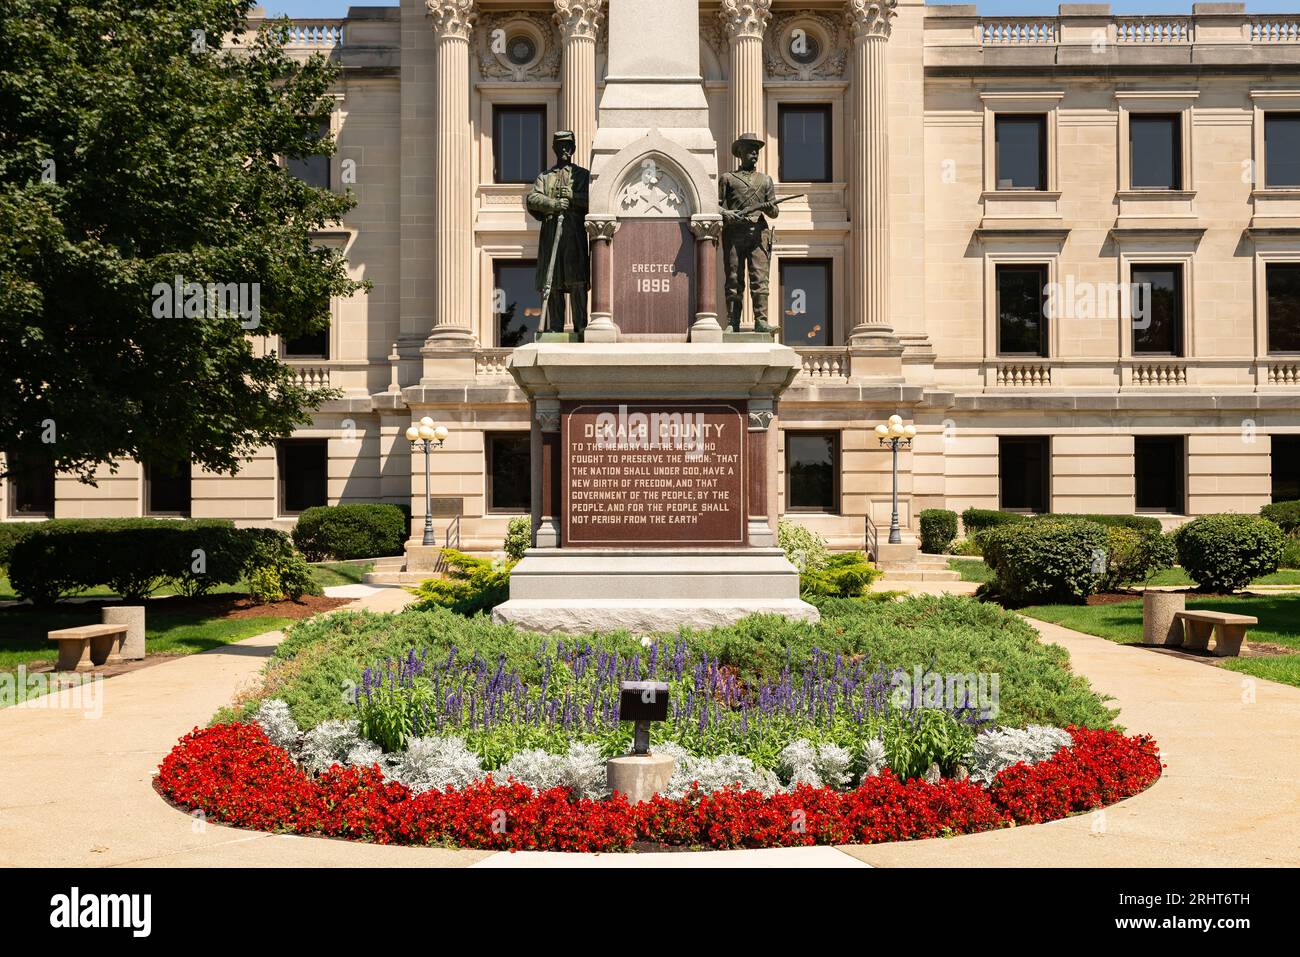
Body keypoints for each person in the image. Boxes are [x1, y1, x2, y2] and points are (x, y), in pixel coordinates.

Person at [526, 130, 590, 337]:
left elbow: (594, 200)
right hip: (551, 232)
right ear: (555, 149)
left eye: (568, 146)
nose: (565, 149)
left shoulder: (583, 176)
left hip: (574, 234)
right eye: (561, 146)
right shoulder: (544, 177)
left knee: (577, 280)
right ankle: (555, 326)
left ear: (573, 149)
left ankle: (581, 326)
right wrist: (553, 204)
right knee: (552, 281)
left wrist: (572, 196)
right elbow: (532, 199)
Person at [719, 132, 779, 334]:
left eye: (756, 151)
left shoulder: (765, 180)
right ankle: (733, 322)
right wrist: (726, 213)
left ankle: (761, 321)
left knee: (760, 280)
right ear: (740, 153)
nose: (754, 154)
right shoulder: (728, 178)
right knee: (733, 279)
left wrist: (769, 208)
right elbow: (715, 206)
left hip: (758, 235)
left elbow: (775, 212)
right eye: (750, 150)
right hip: (734, 234)